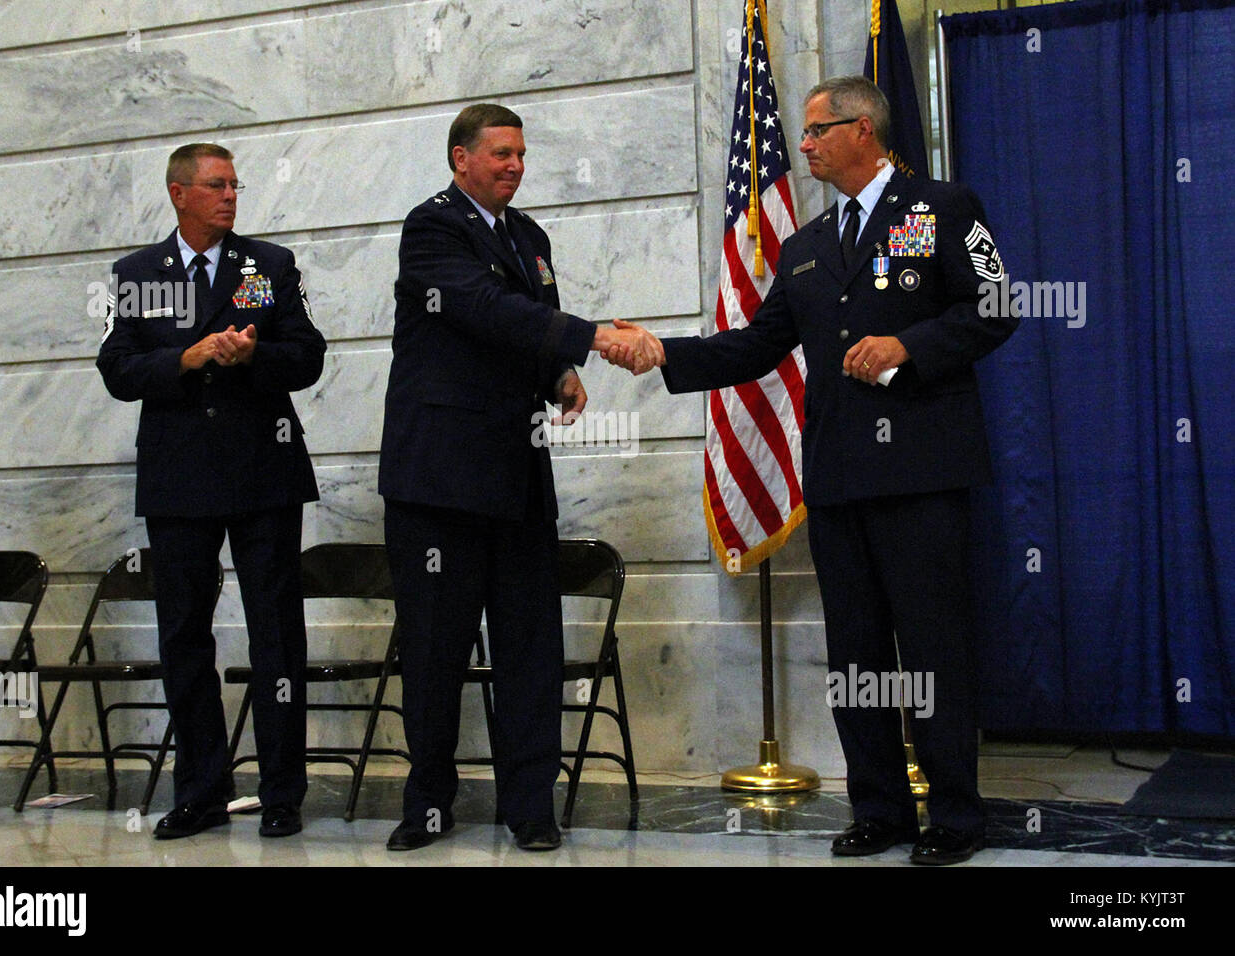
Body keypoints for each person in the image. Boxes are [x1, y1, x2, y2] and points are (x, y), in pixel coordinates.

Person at [607, 76, 1018, 865]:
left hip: (923, 477)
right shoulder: (805, 248)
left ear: (864, 130)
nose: (805, 145)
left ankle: (956, 819)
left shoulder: (943, 209)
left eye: (819, 130)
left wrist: (909, 346)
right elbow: (756, 347)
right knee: (857, 657)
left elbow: (996, 305)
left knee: (934, 650)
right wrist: (666, 351)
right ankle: (881, 810)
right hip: (837, 478)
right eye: (803, 133)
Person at [379, 103, 650, 851]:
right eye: (500, 154)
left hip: (515, 473)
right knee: (435, 648)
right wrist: (590, 339)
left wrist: (559, 371)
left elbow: (529, 328)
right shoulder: (430, 228)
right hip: (437, 478)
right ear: (460, 159)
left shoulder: (531, 238)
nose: (515, 166)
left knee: (530, 647)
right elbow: (484, 309)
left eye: (521, 154)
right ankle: (428, 804)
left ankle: (531, 803)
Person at [97, 143, 325, 839]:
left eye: (234, 185)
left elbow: (309, 355)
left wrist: (255, 353)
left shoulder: (270, 265)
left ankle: (282, 789)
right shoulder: (137, 274)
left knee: (276, 633)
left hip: (263, 469)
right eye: (216, 185)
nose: (230, 196)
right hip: (179, 476)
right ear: (178, 193)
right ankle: (201, 787)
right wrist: (186, 358)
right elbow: (116, 367)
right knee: (185, 635)